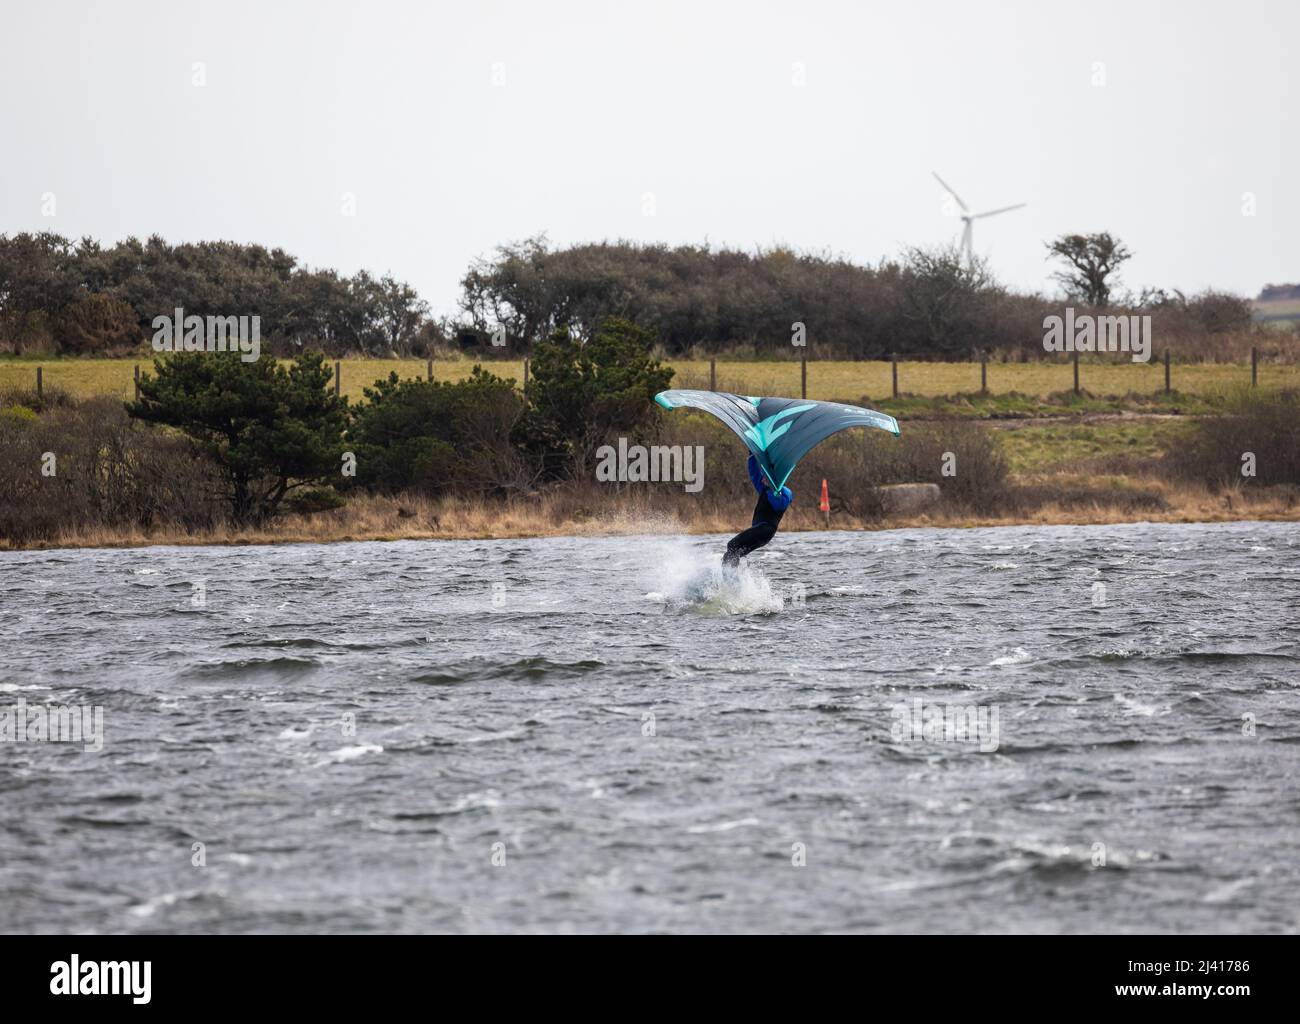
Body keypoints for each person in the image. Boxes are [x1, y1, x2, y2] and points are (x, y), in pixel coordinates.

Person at [723, 453, 792, 567]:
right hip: (760, 530)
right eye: (764, 475)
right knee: (734, 552)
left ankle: (729, 577)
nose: (763, 478)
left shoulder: (785, 492)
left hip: (766, 530)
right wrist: (752, 454)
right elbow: (754, 472)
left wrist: (775, 491)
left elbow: (779, 505)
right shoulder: (765, 489)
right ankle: (731, 581)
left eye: (766, 476)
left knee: (732, 545)